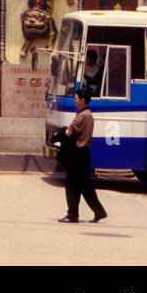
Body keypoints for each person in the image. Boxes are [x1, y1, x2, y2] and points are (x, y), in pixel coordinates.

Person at [58, 87, 107, 223]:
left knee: (71, 185)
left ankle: (73, 215)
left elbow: (68, 133)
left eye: (77, 98)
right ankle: (99, 211)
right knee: (85, 186)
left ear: (83, 100)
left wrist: (57, 137)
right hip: (84, 155)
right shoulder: (89, 115)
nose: (75, 100)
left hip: (77, 156)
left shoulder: (81, 116)